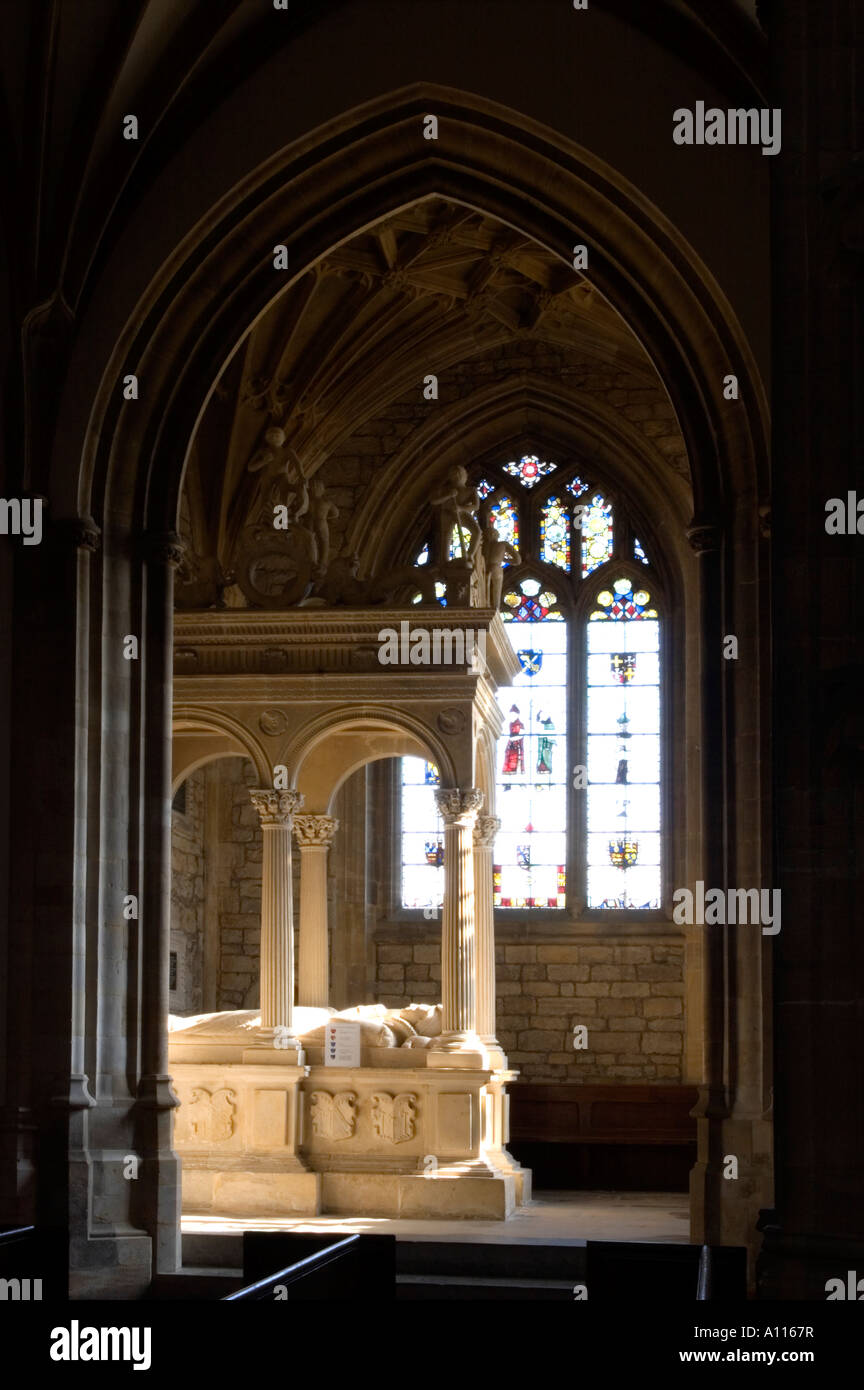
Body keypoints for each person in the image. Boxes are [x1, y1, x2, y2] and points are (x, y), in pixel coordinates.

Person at [502, 705, 525, 776]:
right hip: (510, 746)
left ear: (517, 715)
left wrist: (512, 738)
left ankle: (517, 774)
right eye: (510, 715)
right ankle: (508, 773)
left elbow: (521, 735)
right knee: (509, 761)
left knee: (516, 761)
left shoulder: (520, 724)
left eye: (513, 714)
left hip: (517, 746)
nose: (511, 716)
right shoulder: (510, 724)